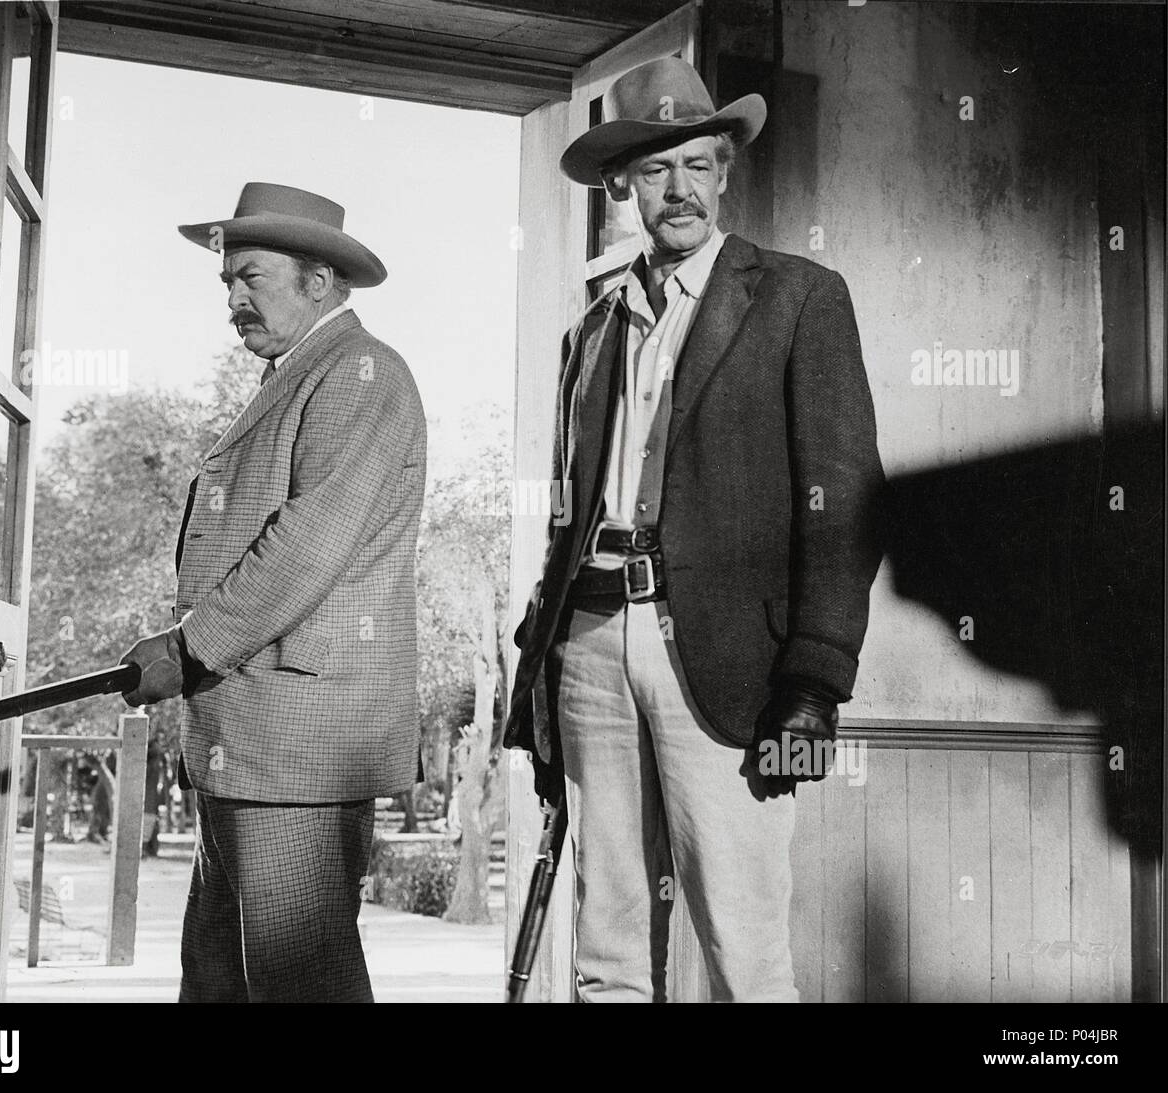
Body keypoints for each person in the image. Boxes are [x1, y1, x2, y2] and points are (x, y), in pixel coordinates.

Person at [504, 57, 884, 1002]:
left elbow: (845, 505)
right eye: (656, 170)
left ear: (724, 173)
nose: (679, 191)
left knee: (743, 949)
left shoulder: (800, 297)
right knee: (609, 945)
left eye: (699, 166)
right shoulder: (589, 333)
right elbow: (568, 515)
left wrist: (814, 680)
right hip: (591, 644)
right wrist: (539, 669)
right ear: (623, 185)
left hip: (729, 665)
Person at [119, 183, 426, 1002]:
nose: (233, 299)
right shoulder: (299, 376)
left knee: (299, 988)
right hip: (247, 739)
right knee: (218, 979)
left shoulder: (360, 373)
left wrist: (186, 648)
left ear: (319, 281)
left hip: (298, 748)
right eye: (227, 281)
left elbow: (303, 549)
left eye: (250, 276)